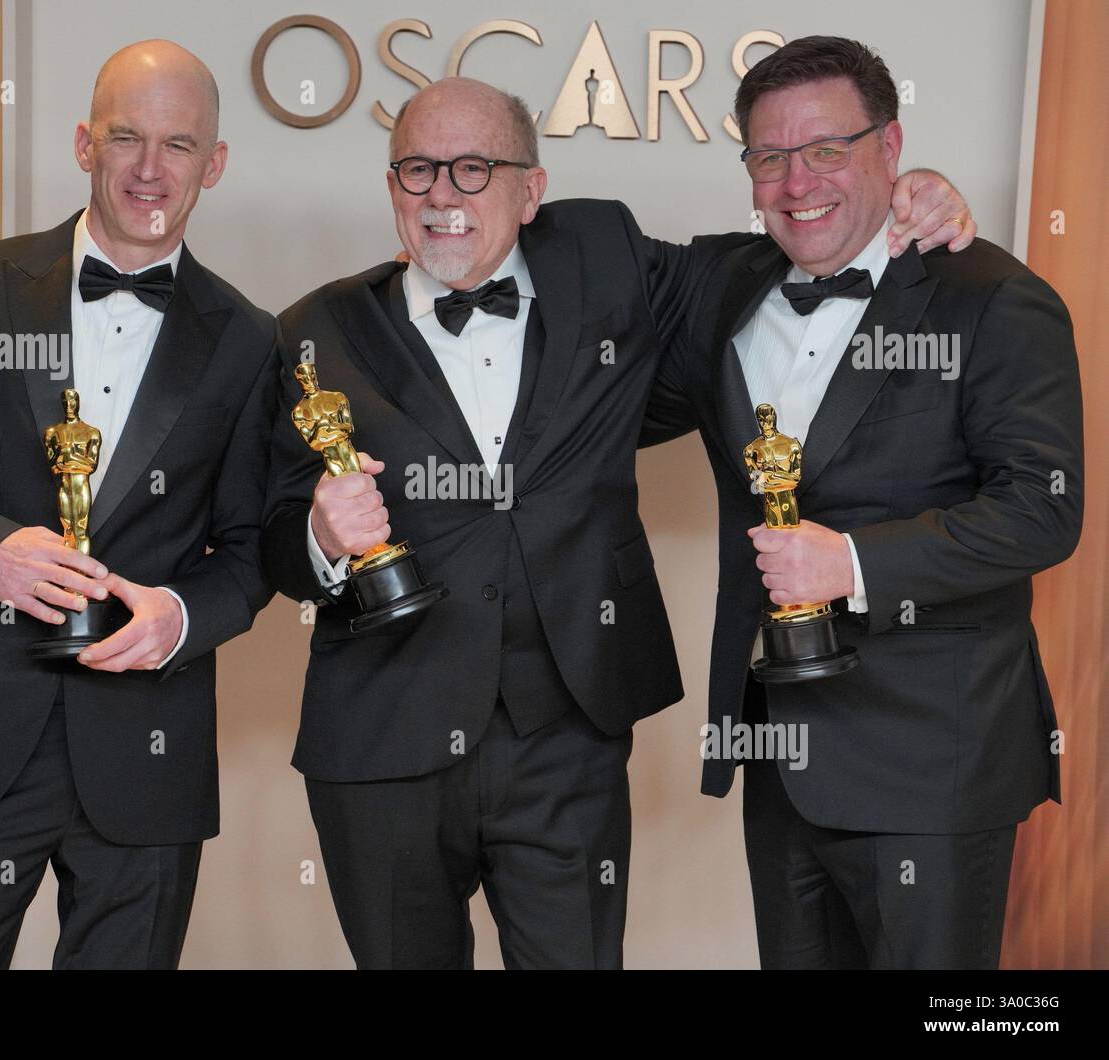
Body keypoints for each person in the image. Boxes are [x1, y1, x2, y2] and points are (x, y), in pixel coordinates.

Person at [260, 75, 972, 969]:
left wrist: (909, 196)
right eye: (417, 170)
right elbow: (269, 538)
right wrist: (322, 537)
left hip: (568, 732)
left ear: (533, 189)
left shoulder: (603, 257)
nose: (442, 194)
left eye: (474, 169)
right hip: (379, 741)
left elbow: (776, 254)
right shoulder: (310, 331)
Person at [0, 39, 277, 969]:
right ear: (83, 145)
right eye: (126, 139)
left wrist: (182, 617)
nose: (151, 170)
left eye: (180, 145)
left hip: (150, 749)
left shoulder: (250, 340)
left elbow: (250, 550)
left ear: (215, 164)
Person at [644, 36, 1083, 968]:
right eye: (770, 157)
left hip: (935, 763)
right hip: (782, 756)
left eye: (826, 151)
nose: (797, 182)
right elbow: (575, 287)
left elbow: (1044, 509)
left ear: (891, 150)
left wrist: (849, 563)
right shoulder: (723, 286)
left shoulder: (995, 299)